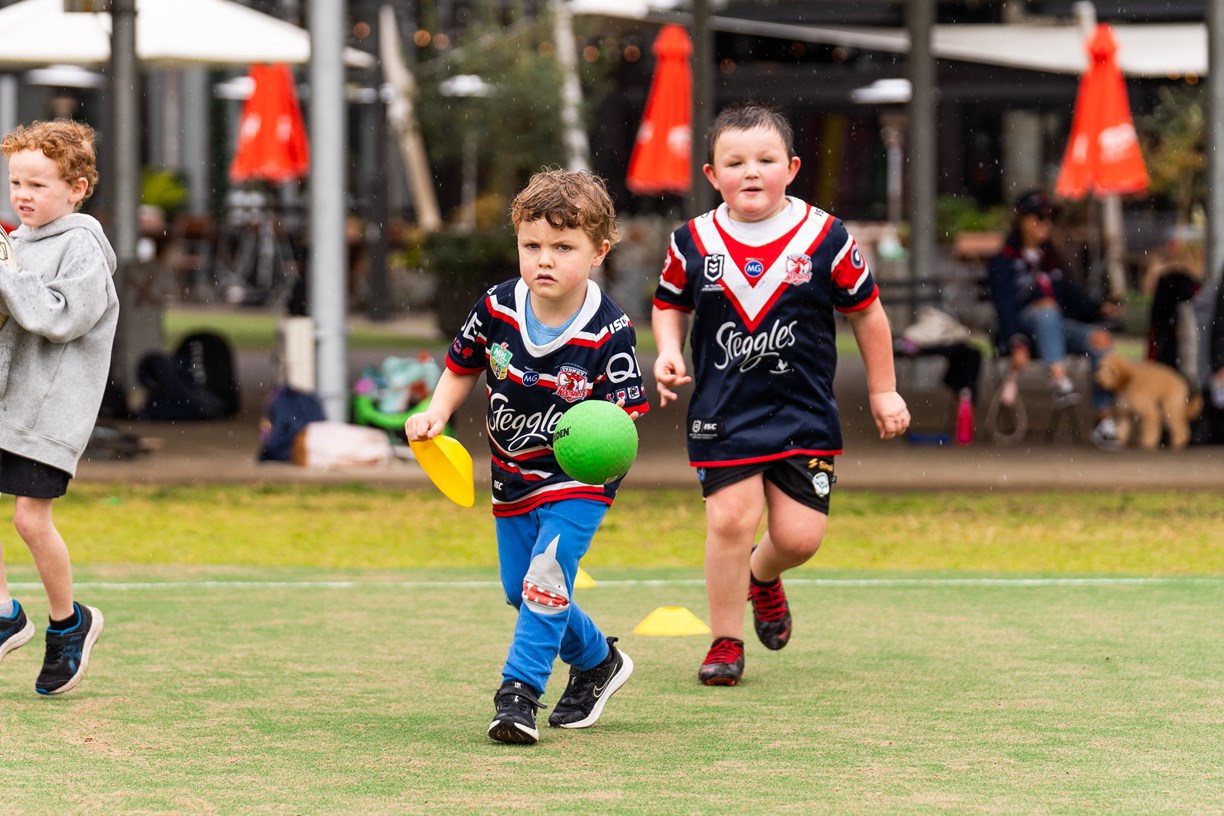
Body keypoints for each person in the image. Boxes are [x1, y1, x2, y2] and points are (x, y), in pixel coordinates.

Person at [651, 102, 910, 686]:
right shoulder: (691, 240)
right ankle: (724, 640)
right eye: (735, 162)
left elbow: (868, 315)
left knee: (798, 537)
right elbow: (669, 303)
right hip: (723, 413)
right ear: (712, 175)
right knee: (730, 521)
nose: (751, 172)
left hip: (805, 412)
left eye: (765, 160)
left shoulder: (825, 236)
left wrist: (885, 390)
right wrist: (667, 351)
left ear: (791, 168)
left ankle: (762, 577)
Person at [405, 169, 649, 744]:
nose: (545, 259)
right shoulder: (497, 305)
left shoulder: (610, 329)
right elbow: (462, 364)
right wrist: (437, 413)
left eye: (564, 247)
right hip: (511, 474)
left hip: (578, 481)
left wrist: (596, 444)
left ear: (598, 252)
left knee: (545, 580)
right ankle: (597, 661)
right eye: (531, 245)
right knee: (521, 588)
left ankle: (518, 696)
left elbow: (623, 420)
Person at [0, 120, 117, 694]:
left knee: (28, 518)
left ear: (77, 188)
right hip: (4, 403)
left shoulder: (83, 246)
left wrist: (5, 280)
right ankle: (3, 614)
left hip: (50, 412)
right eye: (16, 181)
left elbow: (59, 317)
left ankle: (69, 624)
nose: (23, 194)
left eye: (39, 185)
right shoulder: (15, 243)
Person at [987, 190, 1120, 449]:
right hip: (1024, 332)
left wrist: (1100, 309)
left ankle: (1104, 420)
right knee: (1046, 308)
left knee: (1101, 342)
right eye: (1039, 217)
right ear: (1021, 220)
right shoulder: (1003, 262)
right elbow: (1004, 309)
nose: (1046, 224)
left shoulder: (1053, 260)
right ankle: (1059, 378)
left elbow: (1073, 299)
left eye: (1050, 219)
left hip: (1057, 331)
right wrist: (1016, 342)